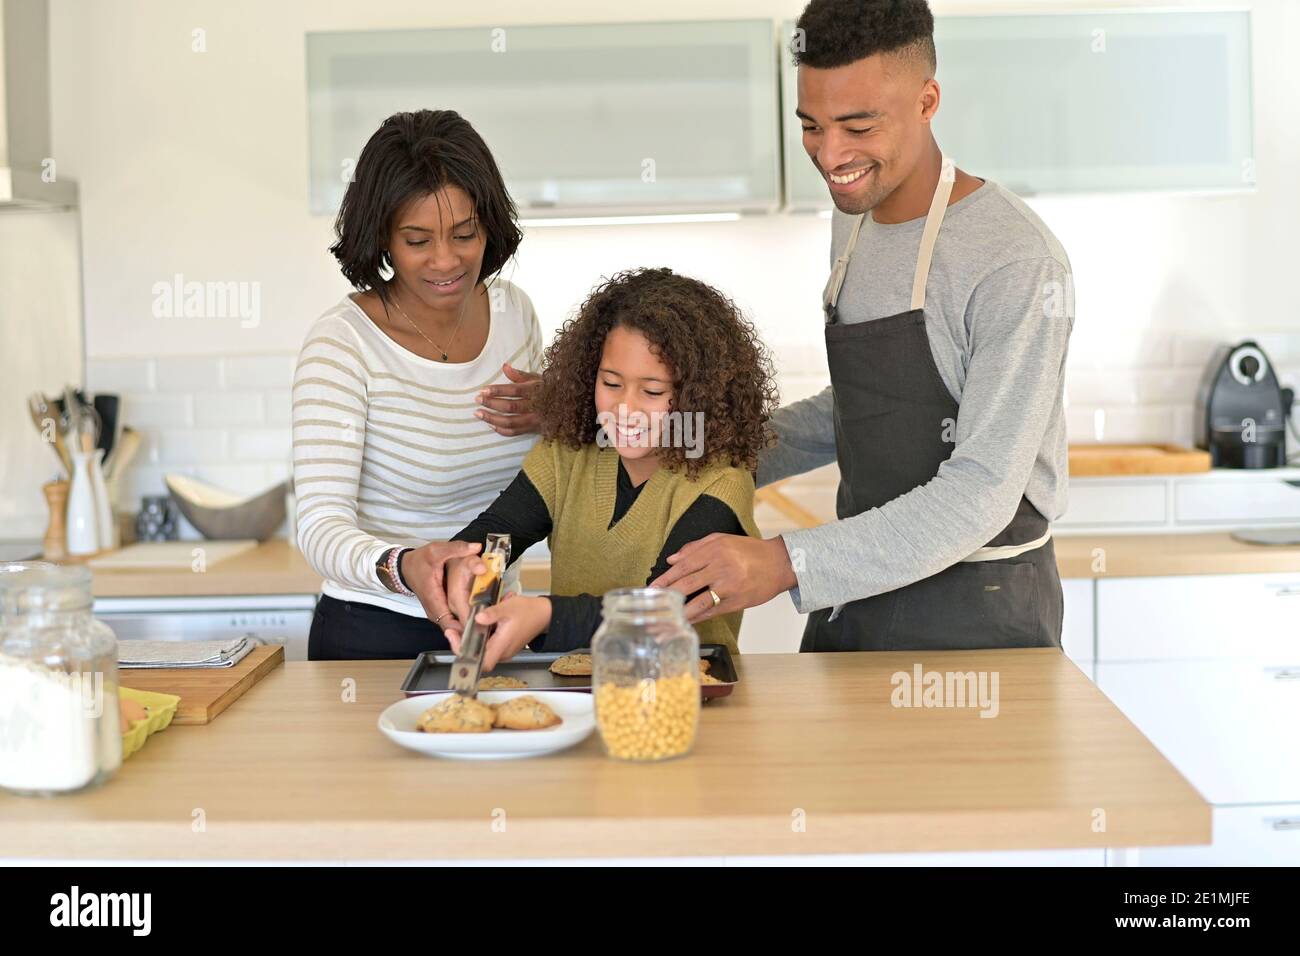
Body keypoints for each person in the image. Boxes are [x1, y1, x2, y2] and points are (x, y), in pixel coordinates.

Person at [654, 0, 1075, 652]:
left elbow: (983, 492)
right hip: (859, 595)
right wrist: (706, 451)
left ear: (928, 100)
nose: (830, 154)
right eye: (811, 126)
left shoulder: (1016, 261)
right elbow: (861, 410)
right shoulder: (854, 217)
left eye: (857, 126)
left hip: (981, 617)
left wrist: (783, 562)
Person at [293, 109, 544, 659]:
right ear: (381, 236)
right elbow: (318, 525)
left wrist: (554, 413)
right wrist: (405, 564)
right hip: (373, 629)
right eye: (416, 240)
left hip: (496, 620)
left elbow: (548, 477)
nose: (446, 260)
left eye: (464, 234)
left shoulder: (514, 314)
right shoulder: (342, 344)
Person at [441, 268, 778, 670]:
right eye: (611, 383)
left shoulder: (721, 483)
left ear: (696, 396)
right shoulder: (565, 456)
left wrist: (544, 616)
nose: (625, 410)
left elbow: (660, 608)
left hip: (685, 692)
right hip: (578, 691)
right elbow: (498, 532)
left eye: (652, 391)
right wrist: (465, 566)